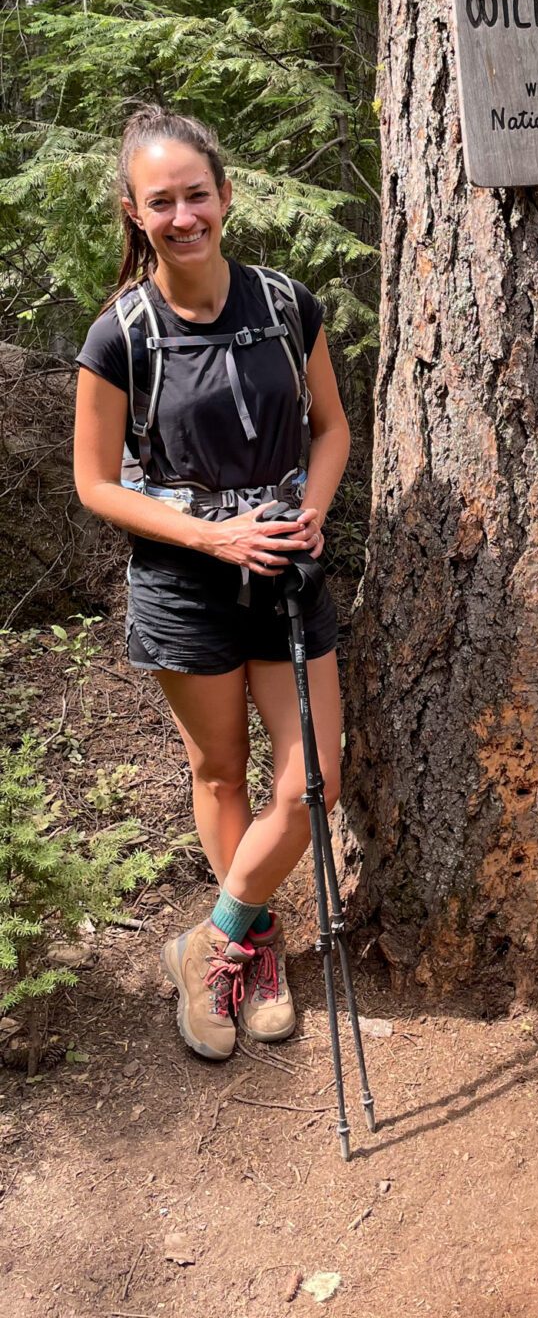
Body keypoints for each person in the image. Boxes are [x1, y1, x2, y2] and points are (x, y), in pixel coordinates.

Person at [74, 106, 351, 1062]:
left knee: (313, 781)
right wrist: (210, 534)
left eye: (198, 194)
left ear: (225, 196)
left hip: (286, 574)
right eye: (163, 202)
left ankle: (213, 937)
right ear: (134, 213)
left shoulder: (283, 304)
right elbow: (96, 482)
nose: (185, 214)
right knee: (222, 773)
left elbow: (331, 429)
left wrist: (311, 507)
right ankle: (258, 950)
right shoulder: (123, 335)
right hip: (184, 587)